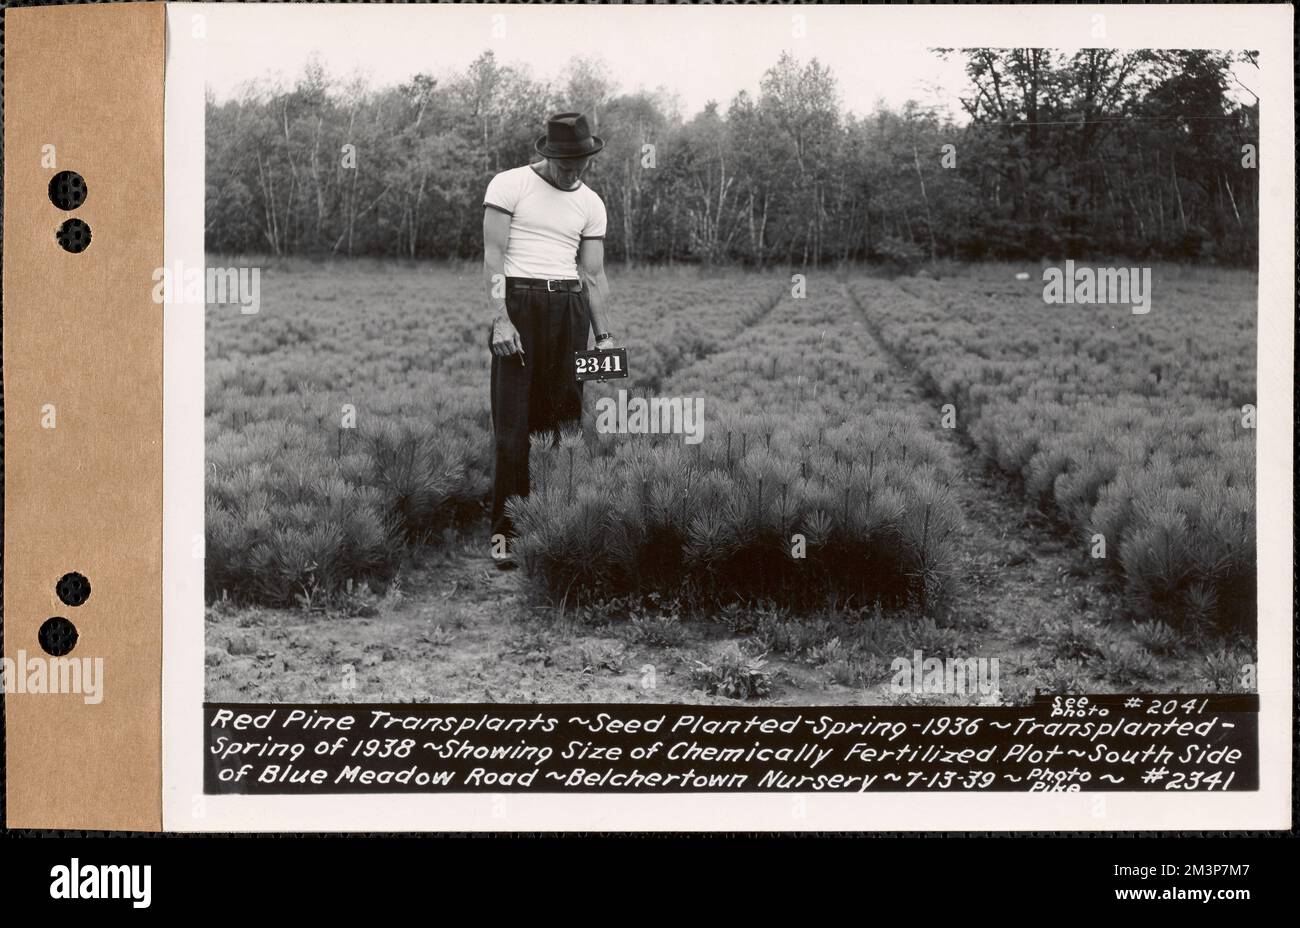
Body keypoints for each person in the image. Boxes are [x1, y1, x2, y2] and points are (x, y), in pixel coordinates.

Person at [482, 112, 616, 561]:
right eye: (565, 162)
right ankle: (506, 538)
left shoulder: (592, 203)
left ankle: (552, 529)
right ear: (548, 154)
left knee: (563, 424)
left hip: (570, 309)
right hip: (520, 304)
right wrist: (500, 319)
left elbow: (593, 276)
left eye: (581, 162)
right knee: (513, 427)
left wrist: (604, 339)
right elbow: (493, 256)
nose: (573, 171)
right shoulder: (509, 184)